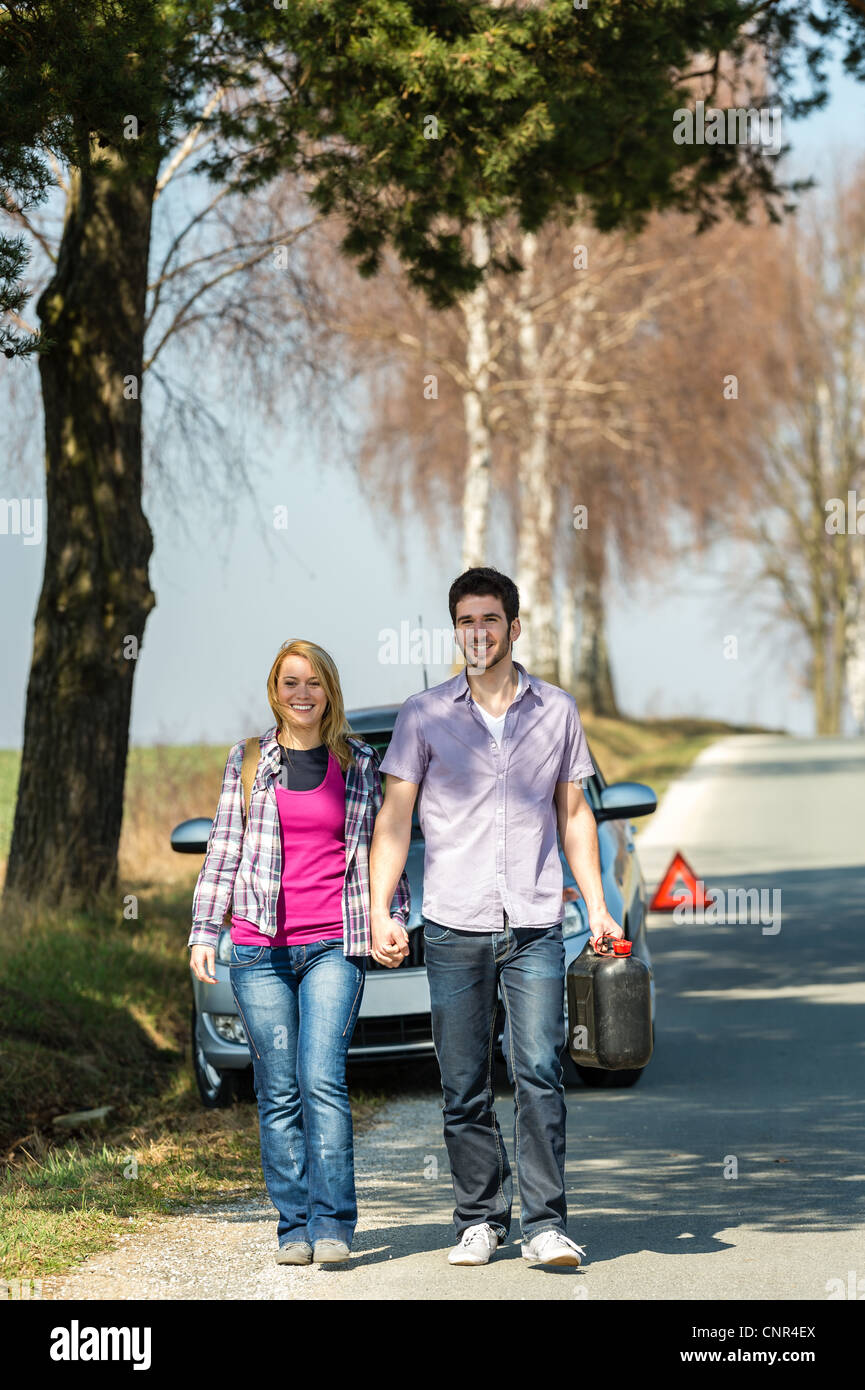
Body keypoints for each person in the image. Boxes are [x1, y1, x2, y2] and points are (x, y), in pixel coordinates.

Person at [369, 567, 622, 1268]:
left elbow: (573, 814)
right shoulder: (423, 714)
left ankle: (543, 1224)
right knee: (462, 1081)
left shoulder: (556, 711)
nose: (477, 633)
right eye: (465, 622)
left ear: (514, 626)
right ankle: (479, 1218)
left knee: (539, 1069)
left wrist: (595, 907)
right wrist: (379, 912)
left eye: (489, 619)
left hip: (537, 920)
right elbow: (393, 819)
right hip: (452, 922)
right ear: (455, 630)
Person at [188, 639, 410, 1265]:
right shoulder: (250, 759)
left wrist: (392, 918)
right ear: (275, 690)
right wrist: (206, 932)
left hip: (334, 944)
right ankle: (293, 1228)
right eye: (291, 683)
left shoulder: (361, 762)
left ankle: (333, 1224)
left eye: (313, 682)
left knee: (321, 1079)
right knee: (278, 1088)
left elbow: (384, 848)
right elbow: (224, 850)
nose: (302, 693)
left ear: (329, 689)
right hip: (259, 949)